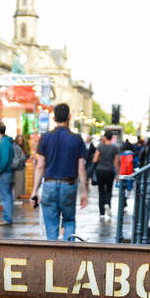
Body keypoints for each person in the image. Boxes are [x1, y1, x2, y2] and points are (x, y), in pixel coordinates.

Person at [30, 102, 89, 241]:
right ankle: (68, 250)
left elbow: (40, 166)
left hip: (49, 184)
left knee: (51, 225)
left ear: (54, 118)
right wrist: (84, 191)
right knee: (69, 220)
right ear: (69, 117)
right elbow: (81, 167)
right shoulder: (77, 139)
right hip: (69, 184)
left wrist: (34, 190)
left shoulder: (45, 138)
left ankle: (53, 252)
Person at [93, 129, 120, 219]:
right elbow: (116, 163)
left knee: (101, 191)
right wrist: (118, 174)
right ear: (111, 138)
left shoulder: (100, 147)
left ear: (105, 137)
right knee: (109, 190)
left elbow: (95, 160)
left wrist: (100, 158)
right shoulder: (115, 148)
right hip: (110, 171)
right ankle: (107, 203)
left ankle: (101, 213)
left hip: (100, 170)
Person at [0, 121, 15, 226]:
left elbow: (5, 158)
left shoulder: (4, 142)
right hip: (9, 172)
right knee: (9, 196)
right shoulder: (7, 141)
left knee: (5, 197)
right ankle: (8, 217)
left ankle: (7, 218)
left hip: (5, 173)